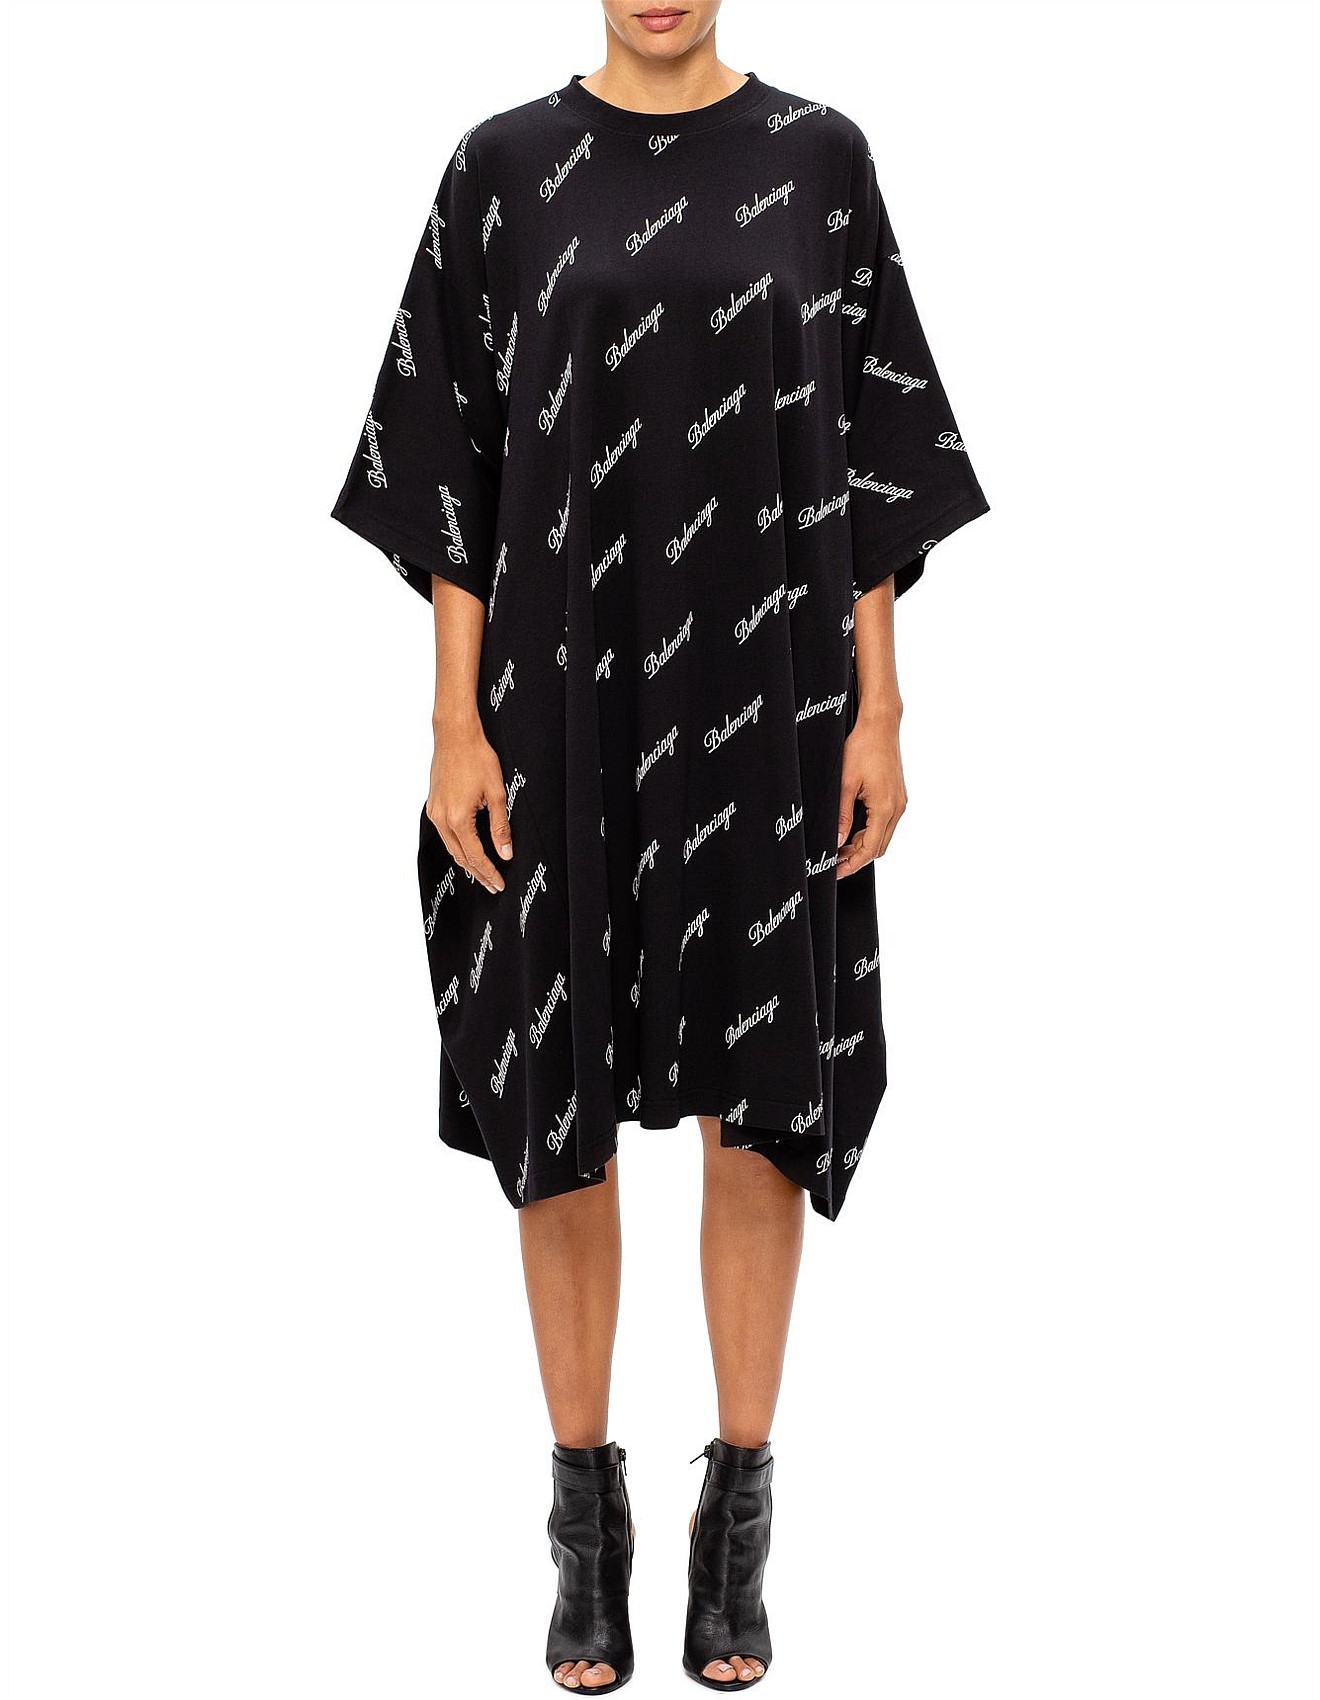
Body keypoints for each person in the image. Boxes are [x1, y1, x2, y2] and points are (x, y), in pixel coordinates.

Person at [330, 2, 990, 1688]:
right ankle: (583, 1519)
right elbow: (452, 474)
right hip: (557, 706)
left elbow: (874, 462)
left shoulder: (819, 160)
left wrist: (881, 710)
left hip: (773, 701)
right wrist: (454, 724)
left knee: (758, 1098)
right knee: (558, 1105)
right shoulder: (504, 167)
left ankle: (738, 1516)